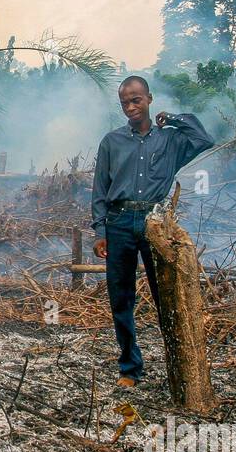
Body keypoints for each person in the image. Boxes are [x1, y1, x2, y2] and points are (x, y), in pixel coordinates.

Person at [91, 75, 213, 387]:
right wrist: (99, 230)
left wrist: (172, 119)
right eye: (125, 103)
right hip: (118, 224)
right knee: (121, 299)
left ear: (149, 99)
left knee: (167, 297)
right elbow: (100, 189)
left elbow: (203, 139)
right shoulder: (111, 142)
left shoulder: (170, 139)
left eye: (136, 100)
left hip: (155, 224)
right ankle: (130, 369)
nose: (130, 107)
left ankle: (179, 364)